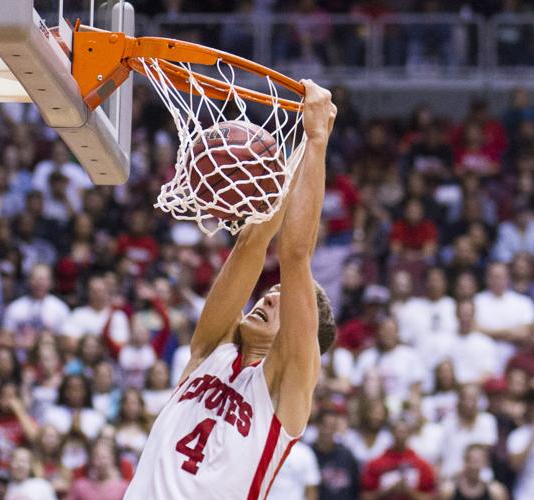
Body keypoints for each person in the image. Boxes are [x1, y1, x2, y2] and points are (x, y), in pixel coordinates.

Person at [124, 80, 337, 499]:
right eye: (271, 292)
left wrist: (316, 141)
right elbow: (252, 242)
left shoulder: (285, 387)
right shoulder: (212, 350)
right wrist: (293, 152)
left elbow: (294, 254)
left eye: (284, 301)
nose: (271, 297)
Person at [473, 262, 534, 370]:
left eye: (501, 277)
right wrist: (510, 332)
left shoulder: (523, 302)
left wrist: (488, 332)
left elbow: (525, 333)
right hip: (481, 360)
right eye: (493, 276)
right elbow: (473, 329)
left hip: (515, 361)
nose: (497, 280)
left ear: (508, 278)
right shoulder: (476, 301)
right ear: (486, 278)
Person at [360, 419, 436, 500]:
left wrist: (408, 492)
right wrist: (389, 491)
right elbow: (365, 496)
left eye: (403, 432)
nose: (400, 435)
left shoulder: (421, 465)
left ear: (409, 434)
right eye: (397, 431)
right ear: (391, 433)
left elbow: (431, 496)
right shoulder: (376, 464)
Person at [439, 384, 498, 479]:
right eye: (465, 398)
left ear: (479, 401)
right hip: (450, 478)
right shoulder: (447, 423)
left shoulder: (488, 420)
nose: (469, 403)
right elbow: (441, 456)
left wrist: (461, 473)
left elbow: (484, 455)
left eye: (473, 398)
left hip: (479, 478)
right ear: (459, 400)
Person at [2, 263, 70, 345]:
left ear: (51, 282)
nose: (40, 283)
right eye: (36, 279)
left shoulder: (60, 308)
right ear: (28, 281)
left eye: (44, 279)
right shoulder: (15, 307)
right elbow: (5, 339)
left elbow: (65, 342)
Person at [311, 410, 359, 500]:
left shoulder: (347, 455)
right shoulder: (308, 454)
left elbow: (356, 488)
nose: (328, 431)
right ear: (317, 425)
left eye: (332, 427)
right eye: (324, 426)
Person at [439, 444, 508, 500]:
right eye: (470, 460)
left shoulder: (495, 492)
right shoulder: (449, 491)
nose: (474, 466)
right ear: (464, 461)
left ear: (486, 463)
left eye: (478, 461)